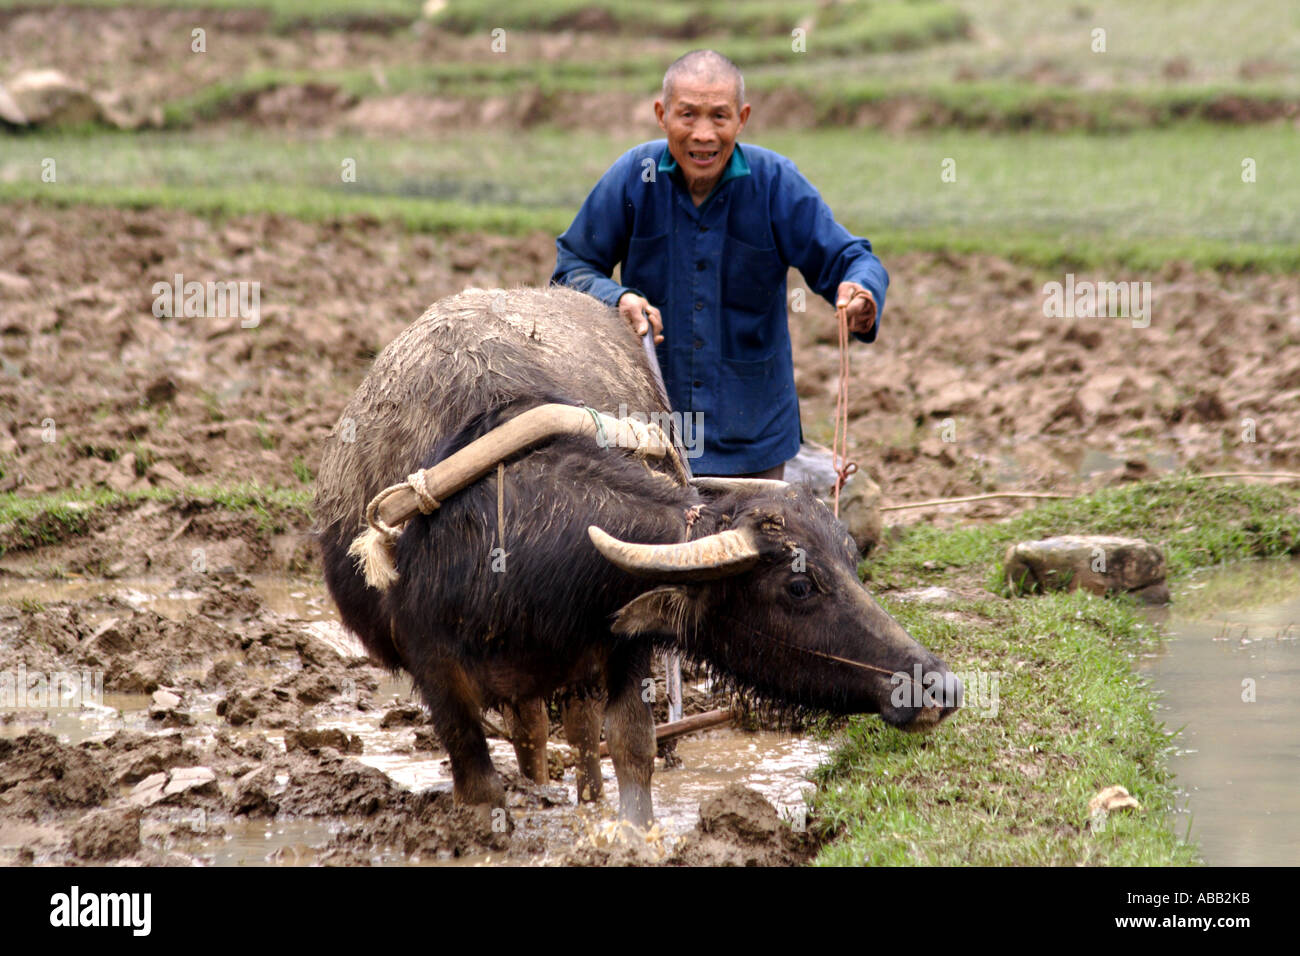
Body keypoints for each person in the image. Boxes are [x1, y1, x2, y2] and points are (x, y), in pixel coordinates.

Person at [550, 50, 886, 479]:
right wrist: (617, 298)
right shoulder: (637, 175)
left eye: (719, 117)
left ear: (742, 119)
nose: (703, 134)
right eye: (687, 115)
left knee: (757, 540)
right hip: (652, 433)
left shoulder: (775, 183)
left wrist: (860, 291)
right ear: (662, 114)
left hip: (755, 440)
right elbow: (571, 266)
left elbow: (850, 258)